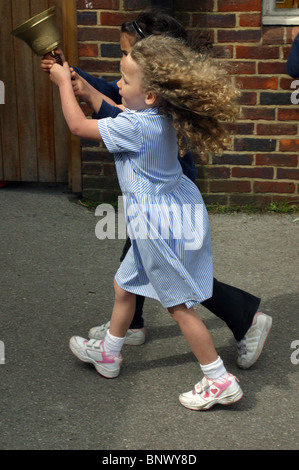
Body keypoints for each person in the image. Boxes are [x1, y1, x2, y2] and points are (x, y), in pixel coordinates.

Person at [42, 11, 272, 370]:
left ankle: (222, 365)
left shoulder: (141, 120)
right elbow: (122, 108)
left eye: (124, 59)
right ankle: (121, 337)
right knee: (130, 279)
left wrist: (64, 85)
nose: (119, 73)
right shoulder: (163, 111)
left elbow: (84, 124)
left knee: (178, 295)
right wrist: (79, 82)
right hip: (165, 201)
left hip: (156, 210)